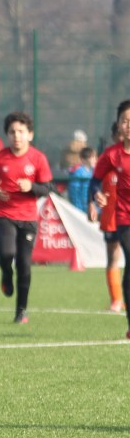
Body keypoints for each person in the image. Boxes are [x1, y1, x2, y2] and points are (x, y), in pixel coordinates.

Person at [0, 111, 53, 324]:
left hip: (29, 219)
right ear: (7, 135)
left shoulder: (38, 158)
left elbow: (48, 188)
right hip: (4, 214)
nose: (17, 136)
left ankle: (21, 311)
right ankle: (6, 273)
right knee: (7, 253)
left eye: (21, 131)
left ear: (30, 135)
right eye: (12, 132)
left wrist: (31, 186)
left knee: (24, 264)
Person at [92, 103, 130, 334]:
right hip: (125, 218)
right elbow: (95, 180)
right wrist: (95, 196)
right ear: (119, 125)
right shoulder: (112, 155)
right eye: (125, 121)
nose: (129, 125)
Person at [89, 120, 124, 313]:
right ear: (114, 137)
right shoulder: (108, 158)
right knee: (113, 256)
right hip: (111, 217)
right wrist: (92, 203)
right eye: (119, 135)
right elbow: (93, 183)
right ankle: (116, 299)